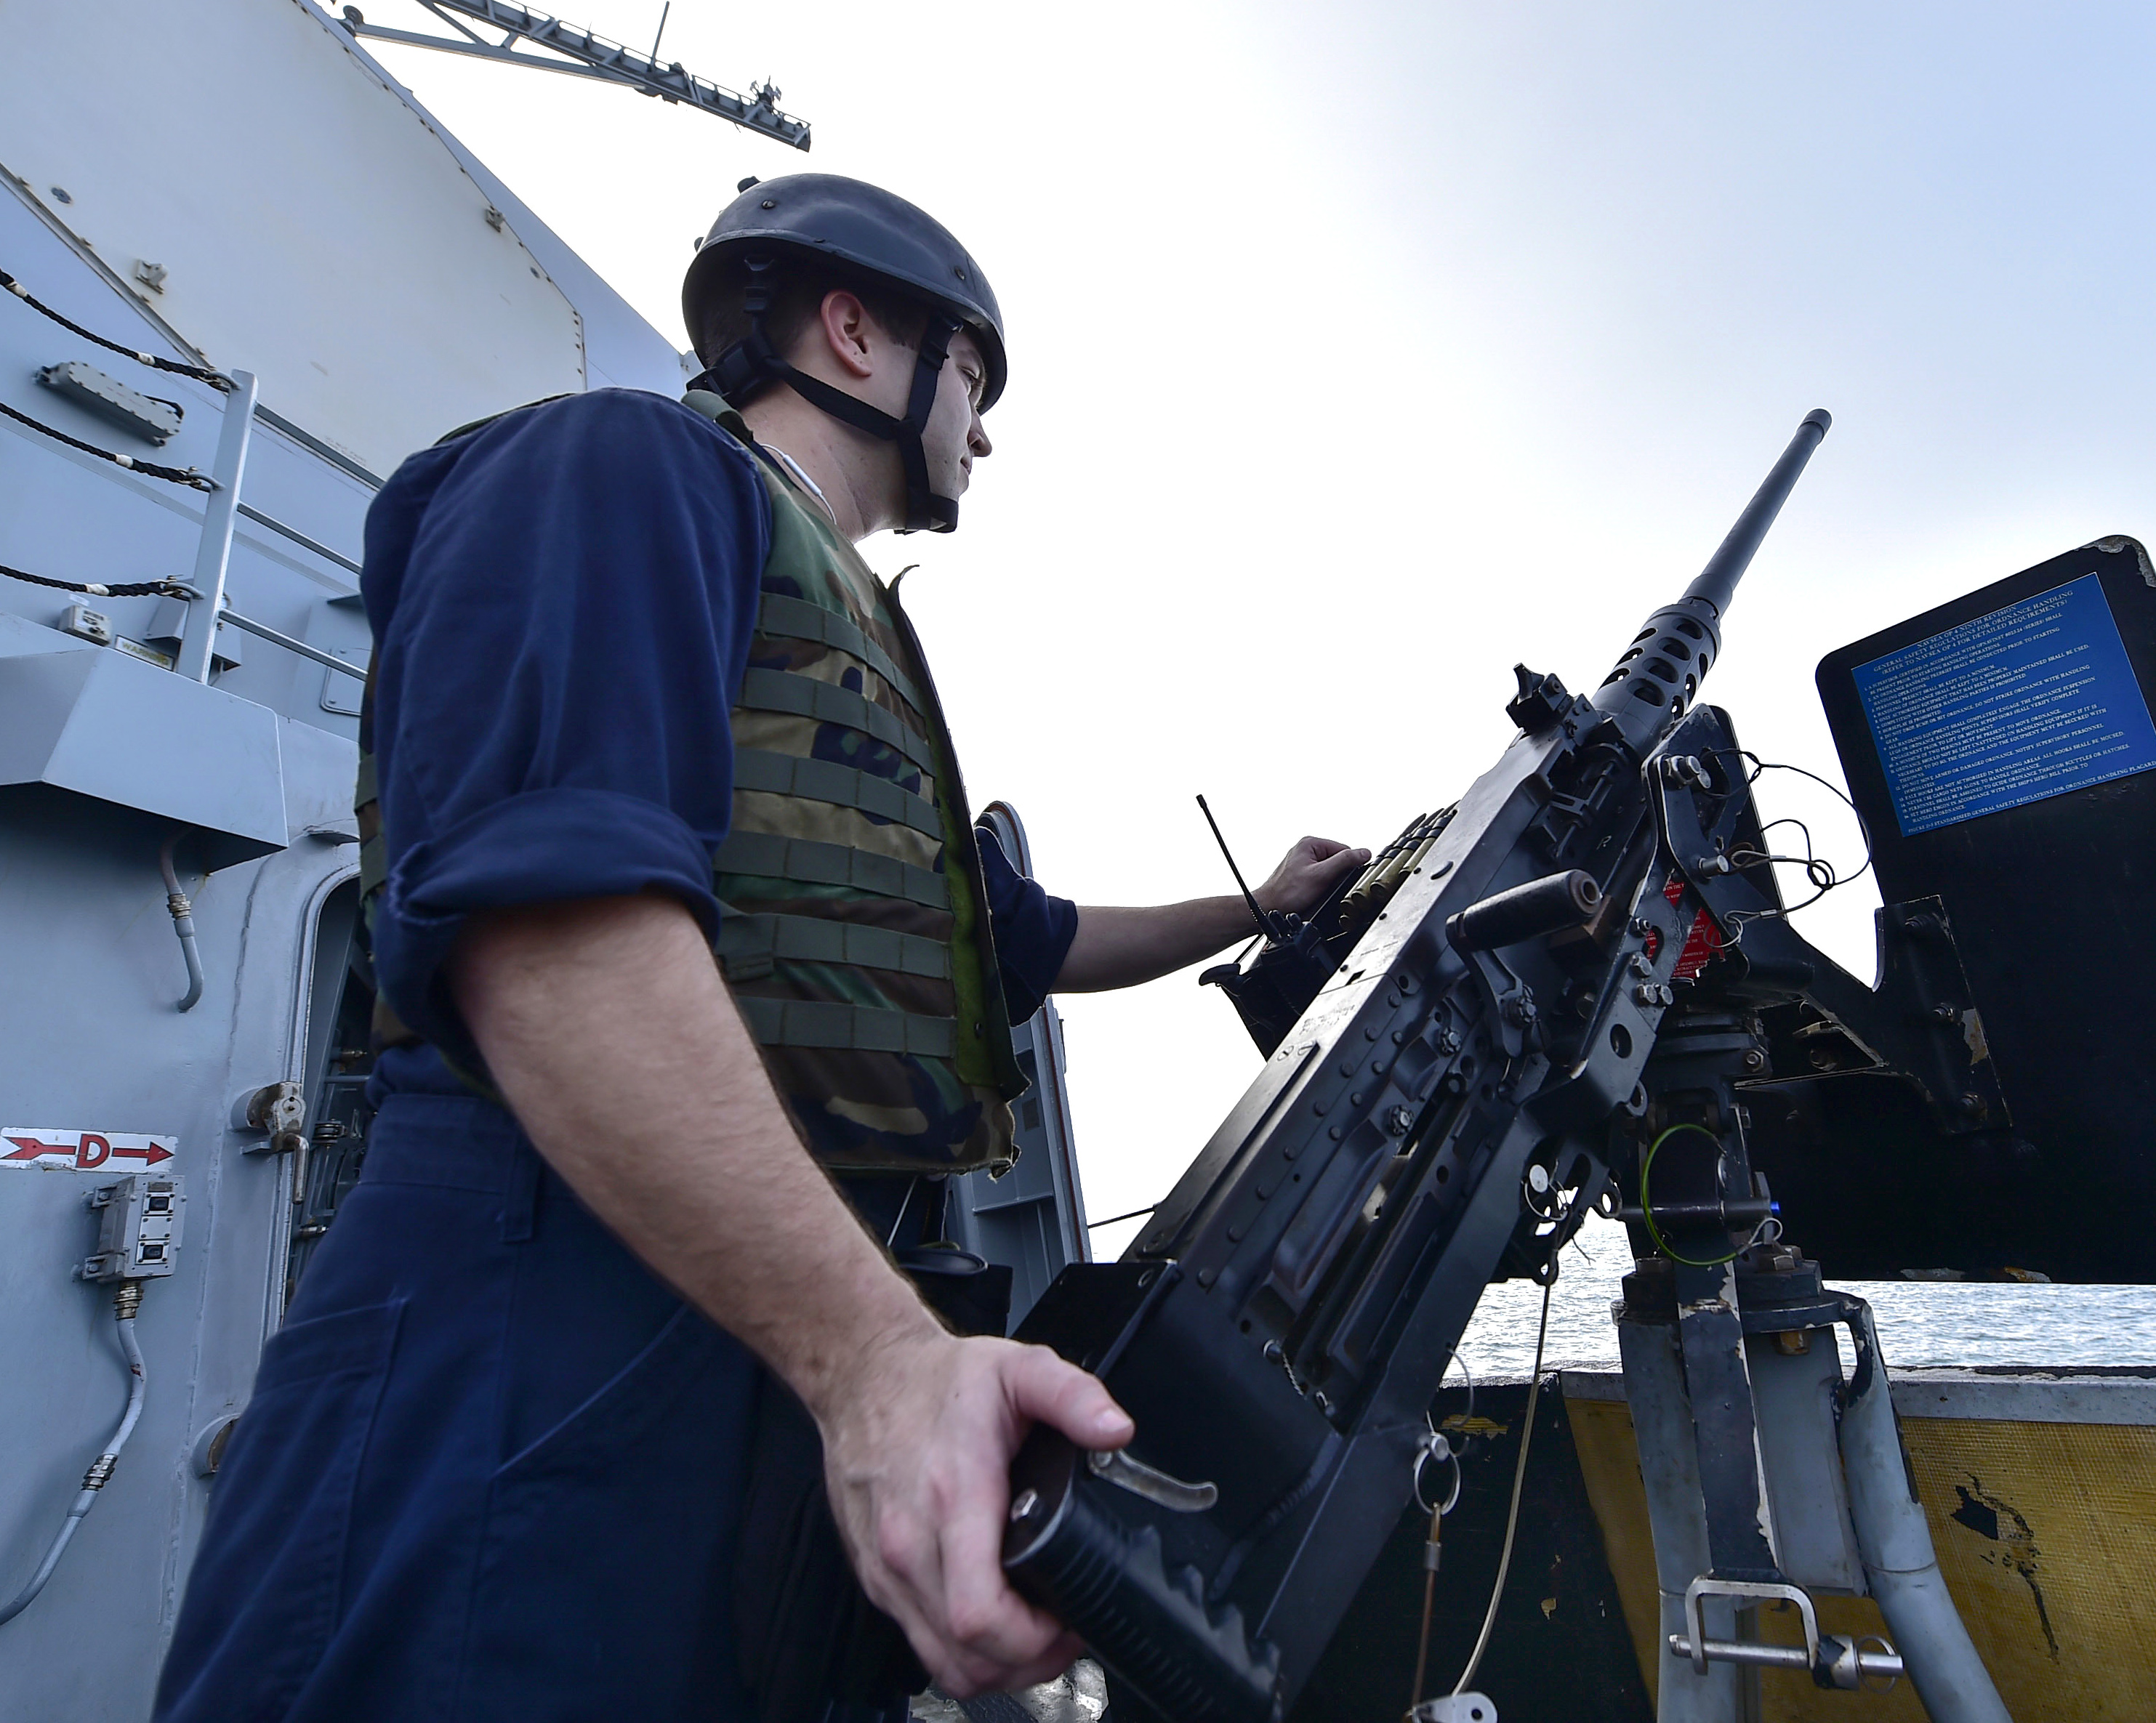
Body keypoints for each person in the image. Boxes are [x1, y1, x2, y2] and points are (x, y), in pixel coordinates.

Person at [153, 174, 1367, 1723]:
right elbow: (552, 937)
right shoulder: (618, 468)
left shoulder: (842, 625)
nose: (984, 433)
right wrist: (873, 1359)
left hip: (769, 1305)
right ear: (854, 333)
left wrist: (1259, 908)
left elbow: (1032, 940)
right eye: (974, 379)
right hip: (549, 1296)